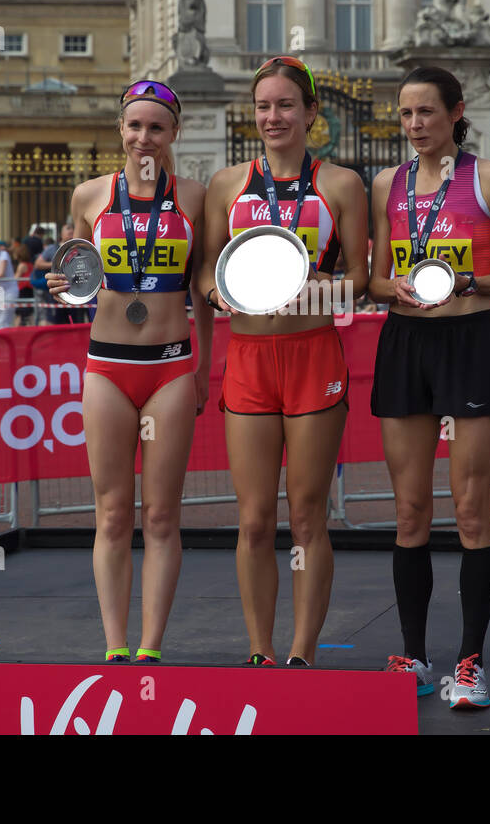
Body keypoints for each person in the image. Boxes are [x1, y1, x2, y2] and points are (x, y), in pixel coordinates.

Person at [199, 56, 368, 669]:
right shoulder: (227, 184)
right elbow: (205, 271)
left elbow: (361, 281)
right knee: (252, 519)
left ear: (311, 112)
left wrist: (317, 290)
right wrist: (218, 292)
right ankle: (260, 651)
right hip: (248, 355)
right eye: (264, 106)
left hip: (313, 353)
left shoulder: (342, 184)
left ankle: (302, 652)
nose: (274, 117)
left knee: (306, 515)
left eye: (286, 105)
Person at [368, 65, 490, 710]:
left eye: (426, 113)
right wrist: (394, 288)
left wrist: (466, 283)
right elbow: (374, 279)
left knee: (469, 509)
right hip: (406, 343)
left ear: (455, 112)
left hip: (469, 339)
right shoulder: (387, 183)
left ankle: (470, 662)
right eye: (405, 114)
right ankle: (413, 656)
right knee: (409, 512)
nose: (414, 125)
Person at [46, 79, 212, 665]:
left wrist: (203, 370)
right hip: (106, 368)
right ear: (121, 130)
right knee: (112, 511)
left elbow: (202, 290)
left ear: (174, 134)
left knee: (162, 514)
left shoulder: (195, 197)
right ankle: (115, 644)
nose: (144, 137)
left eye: (157, 127)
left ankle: (151, 647)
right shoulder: (89, 196)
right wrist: (60, 284)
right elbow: (73, 273)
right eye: (134, 125)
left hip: (169, 368)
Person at [14, 244, 36, 325]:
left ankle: (15, 333)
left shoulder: (22, 265)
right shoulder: (30, 265)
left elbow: (15, 278)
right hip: (29, 290)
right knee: (29, 314)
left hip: (23, 291)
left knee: (19, 314)